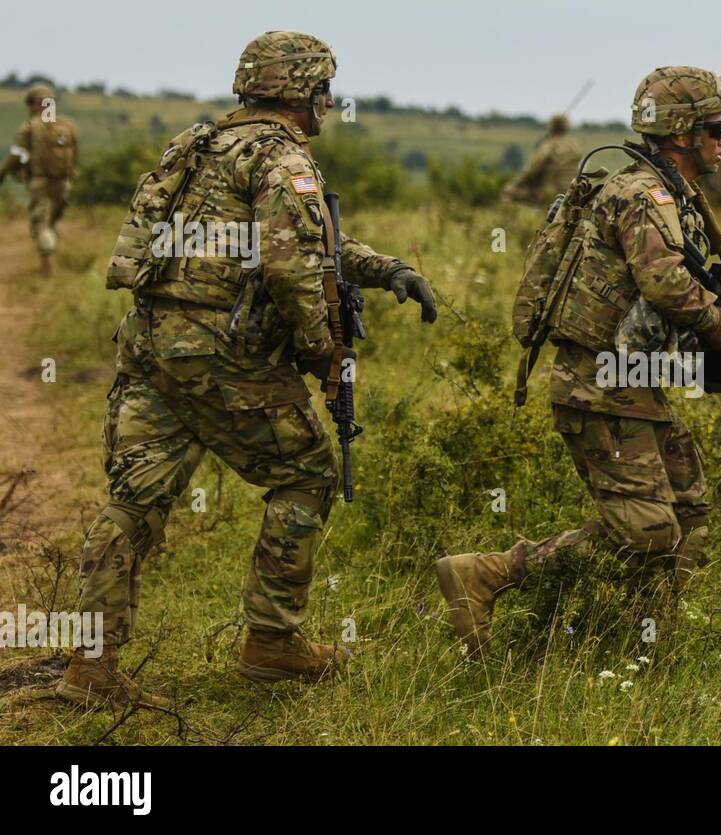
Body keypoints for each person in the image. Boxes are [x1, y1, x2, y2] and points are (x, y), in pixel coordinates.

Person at [57, 31, 439, 709]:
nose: (328, 103)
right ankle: (272, 641)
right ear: (303, 92)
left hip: (152, 344)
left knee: (135, 501)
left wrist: (388, 270)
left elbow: (304, 238)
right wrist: (325, 356)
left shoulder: (200, 143)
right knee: (307, 471)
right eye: (324, 90)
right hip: (223, 355)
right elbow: (294, 263)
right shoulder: (281, 155)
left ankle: (91, 662)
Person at [437, 66, 721, 654]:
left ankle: (644, 647)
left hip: (636, 382)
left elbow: (654, 334)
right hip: (599, 388)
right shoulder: (642, 195)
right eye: (715, 127)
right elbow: (665, 289)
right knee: (649, 532)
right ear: (683, 133)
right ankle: (489, 573)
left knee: (691, 521)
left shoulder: (672, 199)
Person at [0, 82, 79, 275]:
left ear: (35, 104)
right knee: (51, 222)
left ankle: (48, 267)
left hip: (40, 183)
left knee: (41, 224)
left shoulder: (30, 128)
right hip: (64, 184)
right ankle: (50, 256)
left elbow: (16, 156)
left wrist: (3, 174)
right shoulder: (67, 126)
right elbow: (75, 156)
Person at [499, 113, 582, 206]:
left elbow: (531, 170)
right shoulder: (575, 146)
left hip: (552, 193)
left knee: (508, 192)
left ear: (551, 127)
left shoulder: (549, 145)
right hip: (572, 192)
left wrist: (515, 184)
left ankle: (509, 218)